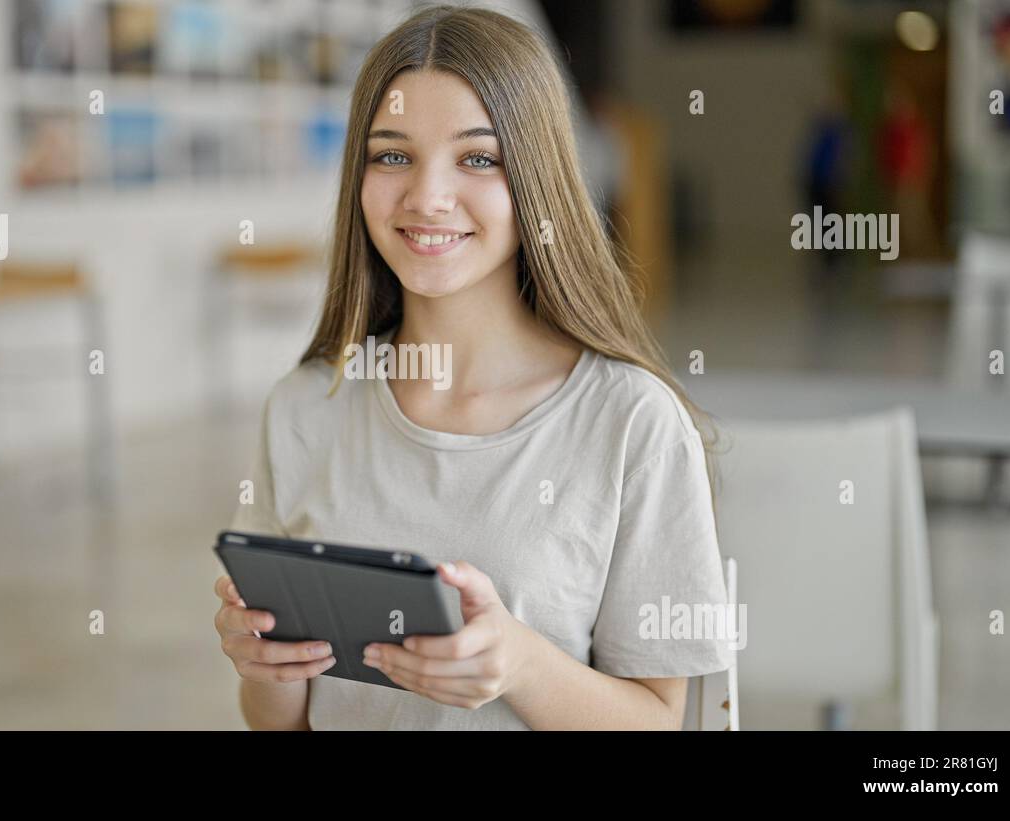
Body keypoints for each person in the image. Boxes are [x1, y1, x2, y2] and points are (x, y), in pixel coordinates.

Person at [213, 4, 733, 731]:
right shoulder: (305, 406)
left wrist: (520, 662)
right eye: (391, 154)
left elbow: (657, 721)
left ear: (536, 178)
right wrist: (263, 666)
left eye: (478, 158)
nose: (426, 197)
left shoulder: (633, 422)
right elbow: (283, 723)